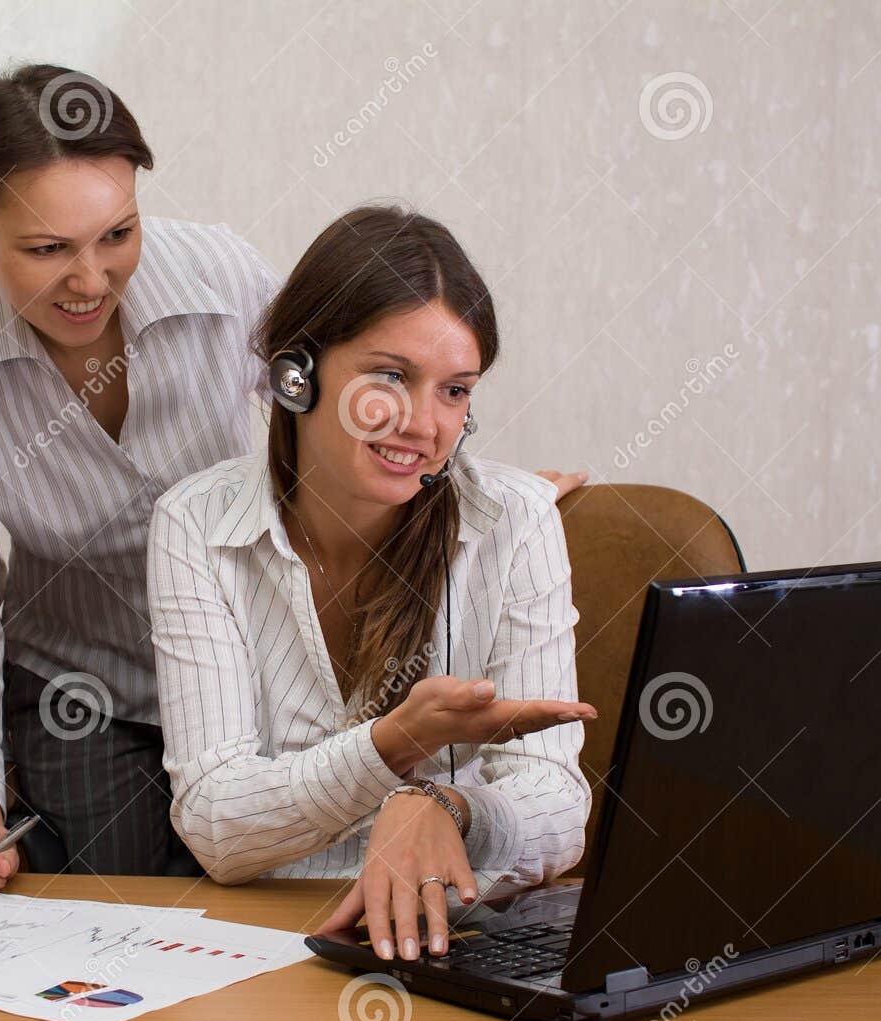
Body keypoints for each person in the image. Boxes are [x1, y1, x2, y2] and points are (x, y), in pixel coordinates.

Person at [0, 62, 588, 892]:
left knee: (264, 865)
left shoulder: (216, 275)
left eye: (118, 234)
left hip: (247, 652)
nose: (91, 280)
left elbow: (349, 381)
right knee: (122, 899)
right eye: (48, 249)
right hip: (86, 679)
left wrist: (481, 491)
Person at [147, 205, 597, 964]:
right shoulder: (195, 524)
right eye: (390, 376)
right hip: (268, 951)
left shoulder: (515, 520)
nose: (424, 424)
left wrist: (447, 807)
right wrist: (395, 746)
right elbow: (218, 826)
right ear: (297, 374)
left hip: (458, 938)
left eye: (454, 391)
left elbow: (558, 803)